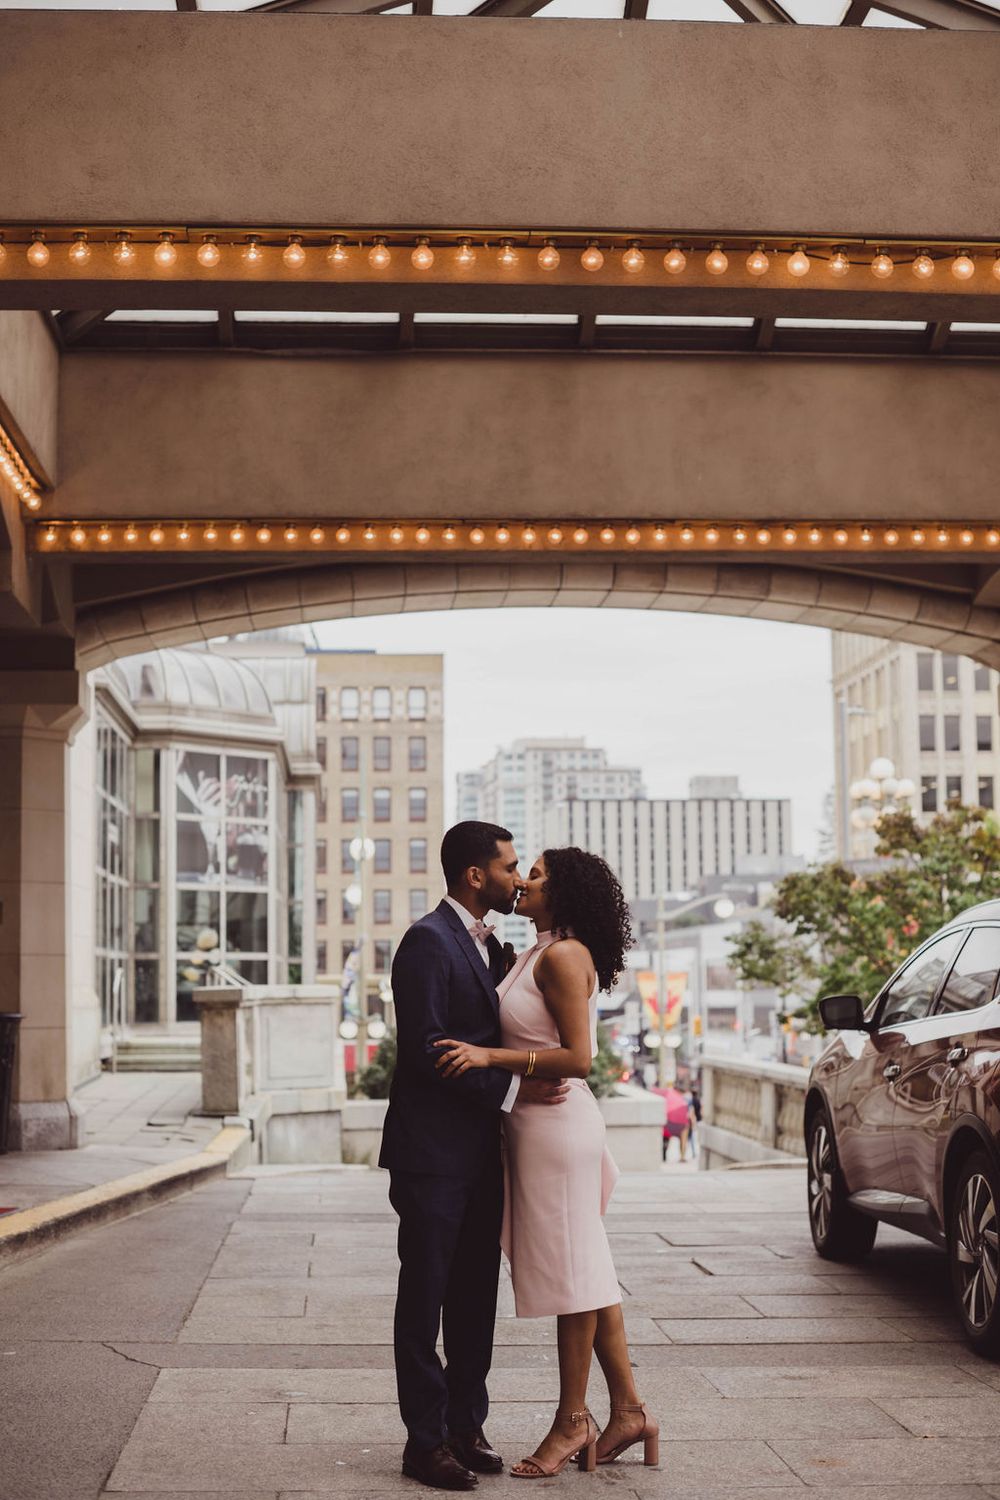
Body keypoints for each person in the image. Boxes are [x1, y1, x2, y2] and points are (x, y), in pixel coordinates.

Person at [435, 847, 660, 1479]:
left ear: (563, 896)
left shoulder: (563, 955)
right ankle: (629, 1412)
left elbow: (579, 1058)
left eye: (536, 876)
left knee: (572, 1278)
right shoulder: (534, 950)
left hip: (557, 1125)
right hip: (534, 1127)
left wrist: (488, 1058)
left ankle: (571, 1422)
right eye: (523, 871)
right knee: (585, 1268)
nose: (524, 882)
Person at [379, 821, 568, 1493]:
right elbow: (429, 1051)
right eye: (512, 866)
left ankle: (466, 1424)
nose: (520, 878)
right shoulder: (426, 943)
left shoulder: (495, 949)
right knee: (424, 1297)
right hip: (431, 1154)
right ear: (475, 876)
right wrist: (517, 1085)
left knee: (472, 1300)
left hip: (484, 1155)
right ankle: (423, 1443)